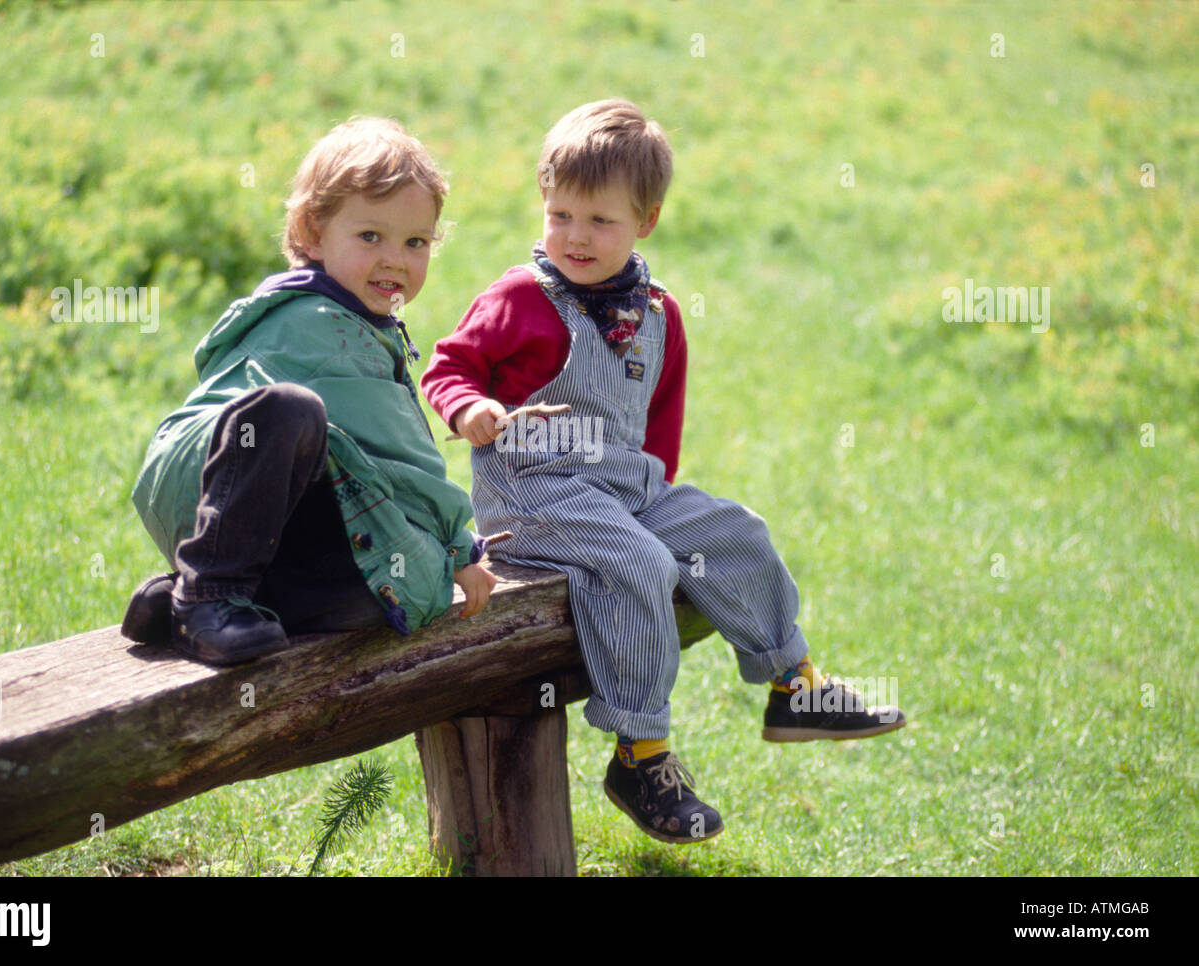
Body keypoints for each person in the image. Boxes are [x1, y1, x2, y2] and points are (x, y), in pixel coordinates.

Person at [421, 99, 904, 845]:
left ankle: (793, 683)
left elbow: (660, 421)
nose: (576, 236)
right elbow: (450, 365)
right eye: (560, 215)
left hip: (625, 487)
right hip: (536, 493)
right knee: (638, 563)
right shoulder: (521, 297)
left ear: (646, 220)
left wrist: (667, 505)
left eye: (600, 221)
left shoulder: (656, 313)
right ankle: (640, 754)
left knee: (735, 531)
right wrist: (468, 408)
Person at [123, 117, 498, 667]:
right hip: (221, 477)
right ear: (311, 232)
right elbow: (398, 455)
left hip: (212, 503)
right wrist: (458, 547)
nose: (395, 258)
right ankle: (209, 597)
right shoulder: (326, 326)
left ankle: (206, 593)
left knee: (369, 598)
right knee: (291, 413)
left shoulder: (295, 309)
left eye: (415, 241)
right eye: (371, 236)